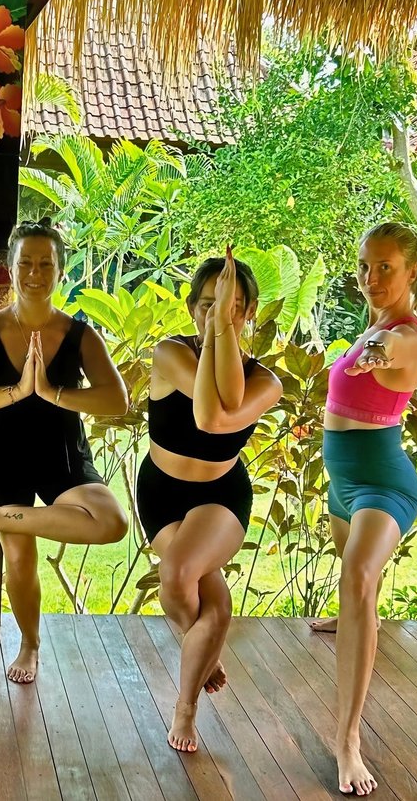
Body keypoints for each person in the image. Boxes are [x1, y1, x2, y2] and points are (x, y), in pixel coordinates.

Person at [0, 219, 129, 683]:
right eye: (26, 263)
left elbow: (116, 401)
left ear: (61, 270)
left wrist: (52, 393)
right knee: (20, 560)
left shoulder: (80, 335)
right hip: (1, 457)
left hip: (63, 456)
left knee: (112, 521)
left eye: (46, 264)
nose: (35, 273)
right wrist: (18, 391)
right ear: (11, 268)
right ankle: (29, 643)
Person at [141, 250, 282, 753]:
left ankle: (185, 708)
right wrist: (219, 329)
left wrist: (222, 329)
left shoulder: (267, 382)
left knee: (178, 573)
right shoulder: (170, 354)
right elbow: (208, 399)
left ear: (250, 312)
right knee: (213, 606)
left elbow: (215, 417)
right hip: (161, 492)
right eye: (208, 304)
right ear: (190, 308)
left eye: (233, 305)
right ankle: (207, 652)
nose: (218, 312)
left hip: (221, 495)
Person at [309, 222, 417, 796]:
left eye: (385, 267)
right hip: (344, 484)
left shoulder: (406, 334)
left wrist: (372, 356)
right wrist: (367, 348)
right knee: (357, 590)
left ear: (412, 272)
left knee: (357, 578)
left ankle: (349, 741)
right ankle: (354, 617)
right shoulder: (373, 325)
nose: (371, 277)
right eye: (365, 266)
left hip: (383, 484)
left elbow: (394, 352)